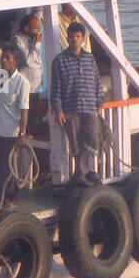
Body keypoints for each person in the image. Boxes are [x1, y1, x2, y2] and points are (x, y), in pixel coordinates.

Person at [50, 23, 106, 185]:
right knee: (75, 141)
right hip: (71, 107)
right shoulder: (59, 60)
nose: (74, 39)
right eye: (72, 36)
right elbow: (56, 87)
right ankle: (80, 172)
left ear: (83, 39)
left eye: (78, 36)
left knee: (92, 137)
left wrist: (100, 100)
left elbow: (96, 80)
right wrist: (58, 109)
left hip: (89, 105)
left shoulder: (89, 58)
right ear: (67, 38)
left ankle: (88, 170)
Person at [0, 46, 31, 205]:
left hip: (11, 132)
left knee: (10, 167)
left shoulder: (22, 82)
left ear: (15, 62)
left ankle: (12, 198)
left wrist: (22, 133)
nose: (4, 61)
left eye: (7, 58)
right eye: (2, 58)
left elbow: (24, 109)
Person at [15, 13, 46, 94]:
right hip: (26, 87)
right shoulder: (18, 41)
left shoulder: (34, 38)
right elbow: (29, 61)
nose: (39, 31)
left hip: (37, 86)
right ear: (27, 28)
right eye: (37, 28)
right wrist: (37, 44)